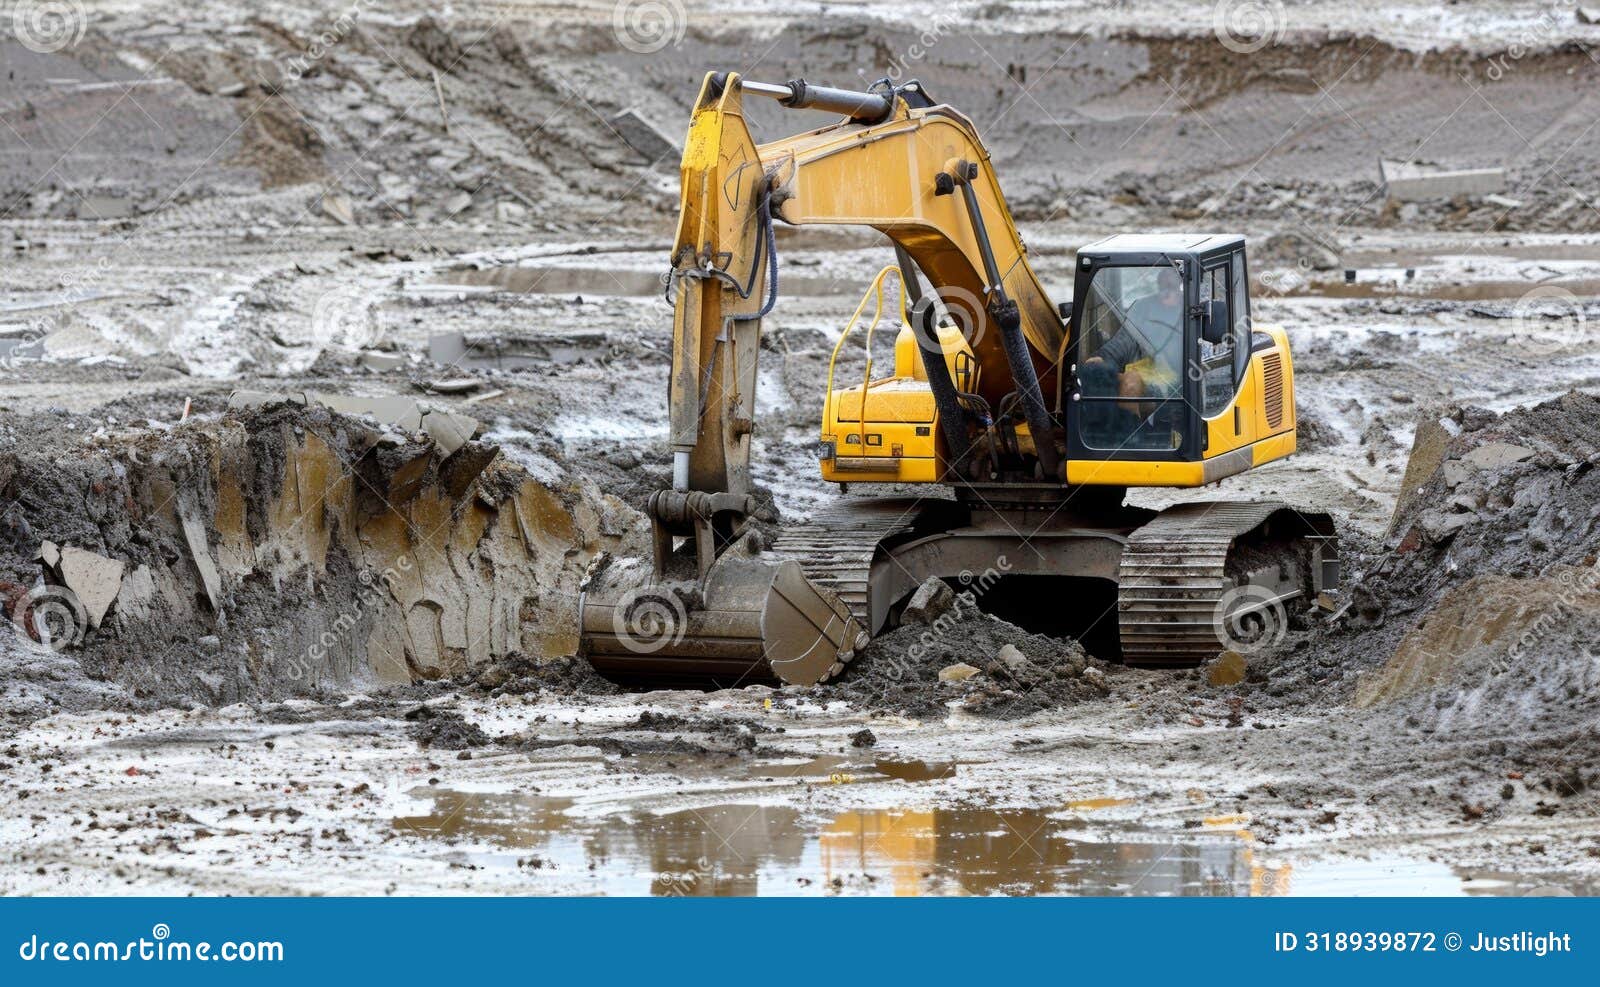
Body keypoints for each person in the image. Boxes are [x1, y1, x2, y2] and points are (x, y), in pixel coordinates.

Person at [1084, 266, 1184, 412]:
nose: (1167, 292)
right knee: (1126, 381)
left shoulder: (1192, 310)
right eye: (1163, 287)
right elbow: (1123, 341)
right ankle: (1128, 431)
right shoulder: (1143, 308)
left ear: (1180, 286)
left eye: (1171, 287)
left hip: (1185, 381)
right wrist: (1102, 357)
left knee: (1132, 381)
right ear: (1158, 285)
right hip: (1148, 379)